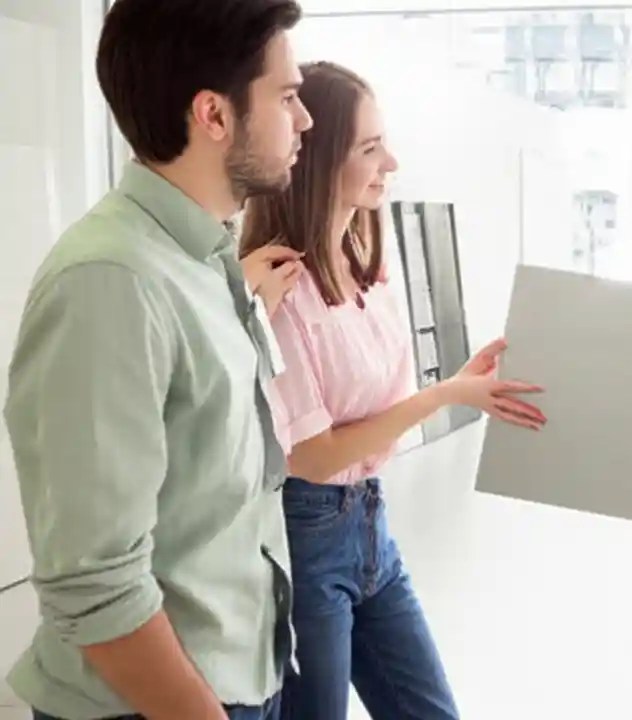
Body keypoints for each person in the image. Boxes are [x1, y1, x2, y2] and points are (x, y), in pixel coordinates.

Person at [3, 1, 315, 719]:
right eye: (287, 97)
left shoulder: (202, 258)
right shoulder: (111, 281)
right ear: (213, 114)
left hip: (236, 678)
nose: (303, 121)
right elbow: (96, 586)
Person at [239, 61, 546, 720]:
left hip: (371, 523)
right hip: (307, 536)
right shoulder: (281, 292)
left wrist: (459, 383)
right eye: (370, 149)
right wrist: (447, 395)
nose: (392, 163)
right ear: (319, 161)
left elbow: (374, 409)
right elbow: (313, 455)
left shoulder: (364, 268)